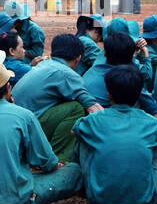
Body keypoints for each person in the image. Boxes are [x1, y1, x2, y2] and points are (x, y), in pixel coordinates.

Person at [0, 62, 83, 204]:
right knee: (75, 171)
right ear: (8, 87)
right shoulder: (23, 115)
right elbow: (46, 162)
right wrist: (56, 167)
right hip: (16, 202)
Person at [73, 65, 157, 204]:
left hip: (99, 203)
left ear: (108, 93)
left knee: (84, 137)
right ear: (139, 94)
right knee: (156, 143)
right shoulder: (150, 122)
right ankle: (146, 186)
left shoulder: (94, 120)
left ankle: (83, 189)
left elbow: (75, 129)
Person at [10, 33, 103, 162]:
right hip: (26, 131)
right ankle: (57, 159)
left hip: (14, 129)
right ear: (78, 58)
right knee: (76, 108)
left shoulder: (43, 64)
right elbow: (92, 106)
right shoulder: (66, 73)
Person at [81, 31, 157, 116]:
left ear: (105, 53)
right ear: (131, 57)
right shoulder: (125, 79)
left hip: (87, 115)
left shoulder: (94, 67)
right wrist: (145, 53)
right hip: (108, 119)